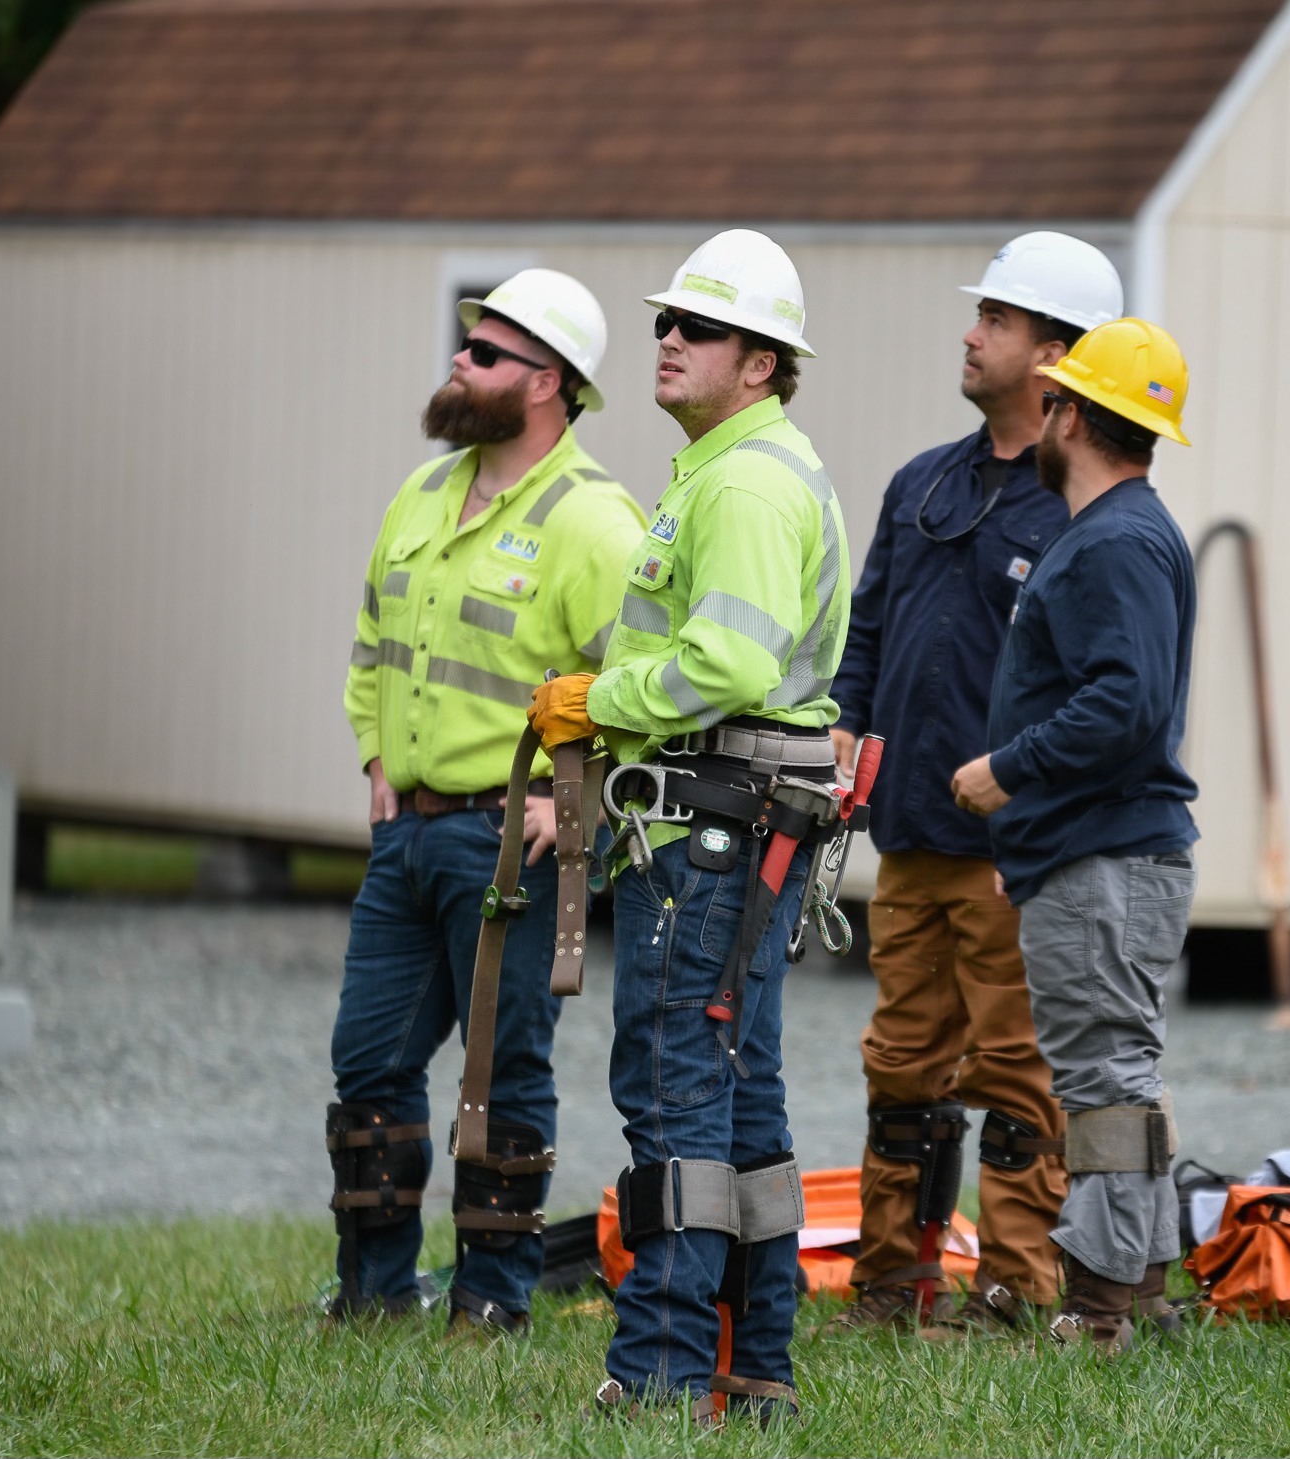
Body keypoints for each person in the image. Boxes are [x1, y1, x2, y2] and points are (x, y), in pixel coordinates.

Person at [527, 229, 848, 1421]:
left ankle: (660, 1374)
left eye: (697, 328)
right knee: (738, 1100)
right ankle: (754, 1365)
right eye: (666, 320)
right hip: (733, 828)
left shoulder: (750, 483)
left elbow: (725, 659)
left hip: (713, 833)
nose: (666, 339)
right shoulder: (733, 467)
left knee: (674, 1101)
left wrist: (593, 700)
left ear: (759, 363)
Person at [328, 269, 645, 1333]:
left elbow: (645, 687)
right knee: (367, 1059)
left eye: (486, 353)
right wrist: (375, 754)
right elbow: (373, 643)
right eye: (467, 347)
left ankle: (492, 1302)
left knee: (500, 1070)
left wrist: (579, 803)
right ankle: (371, 1294)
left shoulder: (594, 524)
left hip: (507, 844)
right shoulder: (422, 494)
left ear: (545, 382)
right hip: (404, 834)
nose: (460, 363)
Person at [826, 233, 1123, 1336]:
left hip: (1016, 858)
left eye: (995, 319)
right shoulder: (923, 483)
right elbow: (865, 633)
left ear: (1054, 355)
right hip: (906, 842)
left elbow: (1104, 695)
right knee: (901, 1067)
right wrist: (848, 733)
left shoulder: (1084, 507)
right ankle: (892, 1282)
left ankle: (1012, 1289)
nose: (970, 332)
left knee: (1015, 1079)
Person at [949, 316, 1199, 1354]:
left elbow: (1122, 704)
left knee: (1101, 1079)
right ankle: (1132, 1286)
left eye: (1049, 401)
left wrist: (1006, 772)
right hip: (1089, 854)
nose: (1035, 418)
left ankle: (1100, 1308)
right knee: (1116, 1072)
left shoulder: (1110, 542)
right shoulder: (1120, 534)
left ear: (1072, 417)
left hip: (1104, 856)